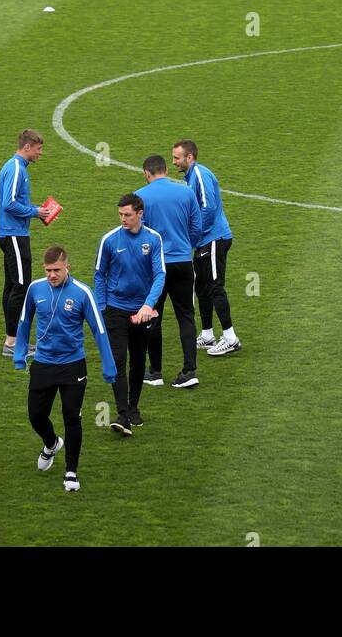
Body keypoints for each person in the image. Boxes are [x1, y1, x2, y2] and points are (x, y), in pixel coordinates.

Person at [14, 245, 116, 493]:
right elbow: (24, 321)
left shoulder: (82, 293)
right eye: (48, 270)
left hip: (72, 366)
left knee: (72, 418)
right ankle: (51, 443)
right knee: (36, 416)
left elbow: (99, 330)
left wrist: (109, 364)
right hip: (44, 364)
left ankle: (71, 471)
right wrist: (19, 353)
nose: (52, 275)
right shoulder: (35, 289)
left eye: (56, 270)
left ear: (67, 267)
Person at [94, 194, 166, 436]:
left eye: (127, 214)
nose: (123, 219)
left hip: (141, 311)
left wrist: (148, 305)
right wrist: (102, 307)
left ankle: (133, 407)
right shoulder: (110, 240)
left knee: (137, 360)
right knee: (117, 361)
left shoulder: (153, 239)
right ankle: (122, 414)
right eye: (120, 215)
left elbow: (160, 275)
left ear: (140, 213)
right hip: (115, 308)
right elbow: (99, 275)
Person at [136, 154, 202, 389]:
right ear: (165, 169)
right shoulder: (185, 191)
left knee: (153, 316)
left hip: (157, 266)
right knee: (186, 316)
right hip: (183, 262)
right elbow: (197, 227)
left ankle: (155, 372)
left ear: (147, 173)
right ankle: (189, 370)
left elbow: (139, 234)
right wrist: (185, 246)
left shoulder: (141, 197)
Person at [172, 140, 241, 357]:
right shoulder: (191, 176)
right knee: (201, 288)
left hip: (213, 238)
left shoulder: (199, 174)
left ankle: (230, 338)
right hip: (205, 240)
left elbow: (208, 209)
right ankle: (208, 334)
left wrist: (193, 235)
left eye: (177, 157)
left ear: (189, 157)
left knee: (215, 287)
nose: (174, 162)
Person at [0, 129, 51, 358]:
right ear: (27, 147)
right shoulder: (17, 168)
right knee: (21, 286)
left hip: (10, 233)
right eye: (38, 149)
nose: (40, 154)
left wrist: (35, 211)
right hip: (14, 235)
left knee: (12, 286)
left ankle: (14, 338)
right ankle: (12, 343)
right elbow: (9, 203)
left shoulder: (14, 167)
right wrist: (35, 212)